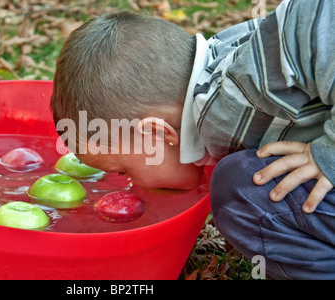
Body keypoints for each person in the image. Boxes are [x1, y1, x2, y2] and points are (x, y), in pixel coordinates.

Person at [50, 0, 334, 279]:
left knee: (241, 188)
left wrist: (328, 155)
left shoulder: (245, 85)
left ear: (158, 135)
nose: (132, 185)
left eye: (124, 170)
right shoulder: (233, 54)